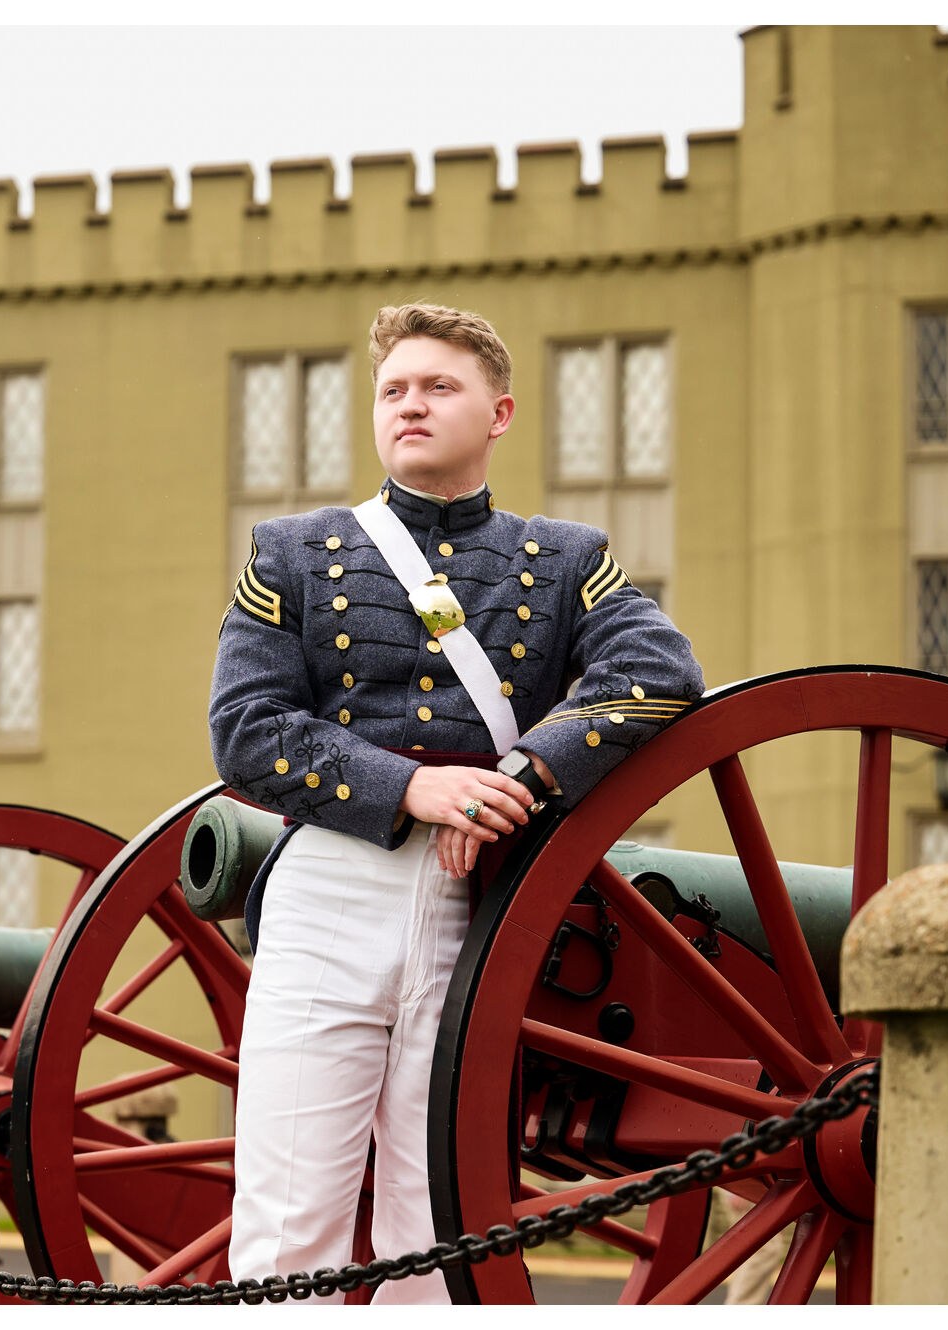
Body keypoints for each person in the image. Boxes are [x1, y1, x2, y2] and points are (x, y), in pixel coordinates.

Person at [210, 303, 705, 1302]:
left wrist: (523, 774)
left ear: (499, 412)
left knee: (437, 1224)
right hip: (331, 886)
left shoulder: (566, 558)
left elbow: (661, 672)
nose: (410, 405)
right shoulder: (289, 552)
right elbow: (246, 731)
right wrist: (413, 787)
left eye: (439, 387)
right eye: (393, 390)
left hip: (480, 904)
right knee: (287, 1219)